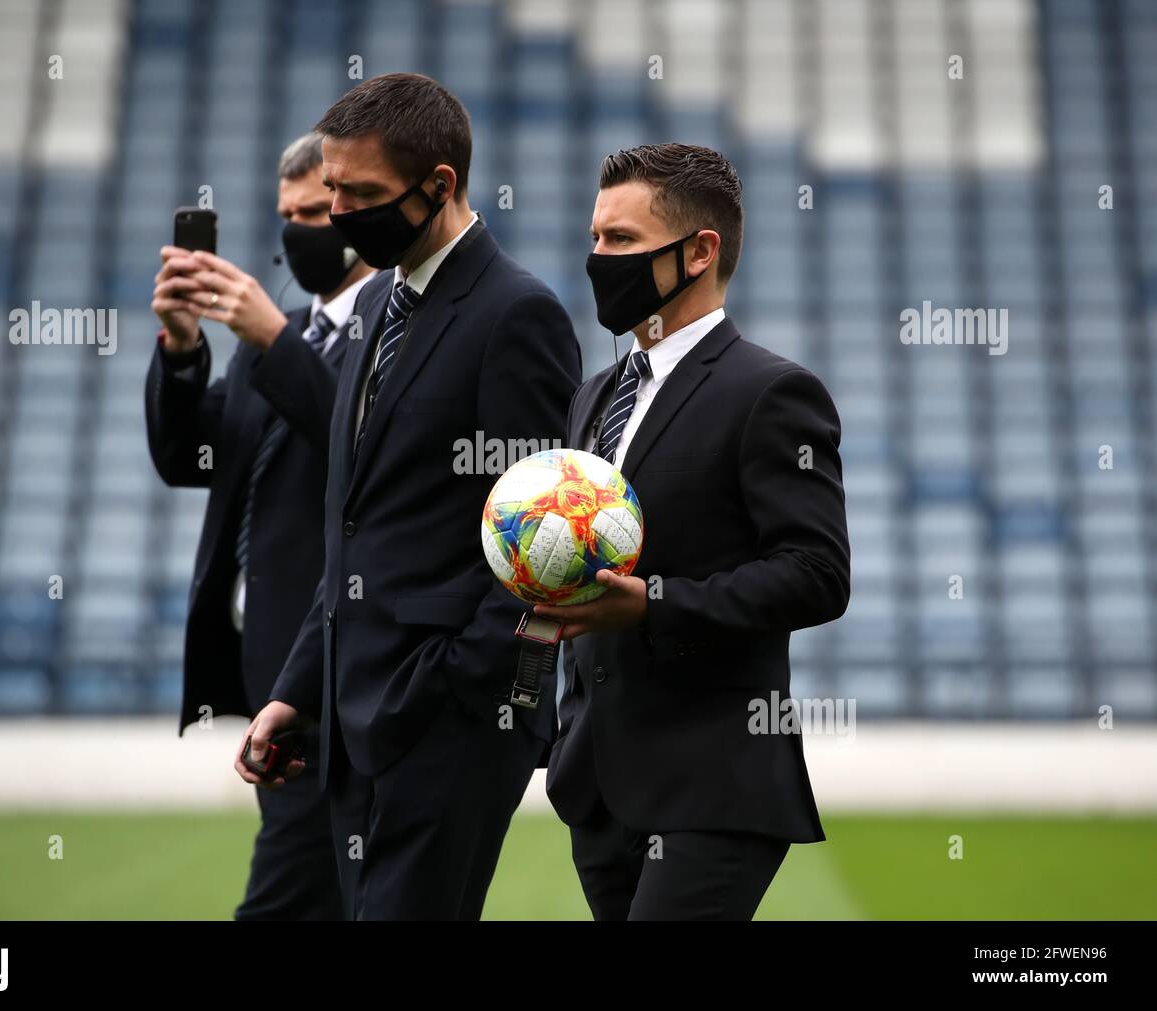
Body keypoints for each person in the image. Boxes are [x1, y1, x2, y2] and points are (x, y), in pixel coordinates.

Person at [236, 73, 581, 920]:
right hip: (351, 720)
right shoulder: (386, 305)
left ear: (440, 186)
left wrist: (460, 686)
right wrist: (297, 688)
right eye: (333, 193)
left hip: (447, 726)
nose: (342, 213)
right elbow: (353, 525)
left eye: (363, 194)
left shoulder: (516, 315)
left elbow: (545, 543)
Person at [539, 143, 851, 920]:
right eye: (594, 237)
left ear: (700, 251)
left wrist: (655, 602)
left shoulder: (773, 392)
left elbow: (818, 573)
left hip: (712, 784)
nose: (596, 258)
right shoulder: (593, 395)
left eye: (621, 240)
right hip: (598, 784)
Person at [145, 132, 373, 920]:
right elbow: (191, 456)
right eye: (287, 215)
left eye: (318, 211)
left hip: (337, 672)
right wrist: (181, 348)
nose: (300, 229)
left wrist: (271, 338)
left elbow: (362, 451)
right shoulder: (280, 335)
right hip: (271, 665)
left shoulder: (393, 329)